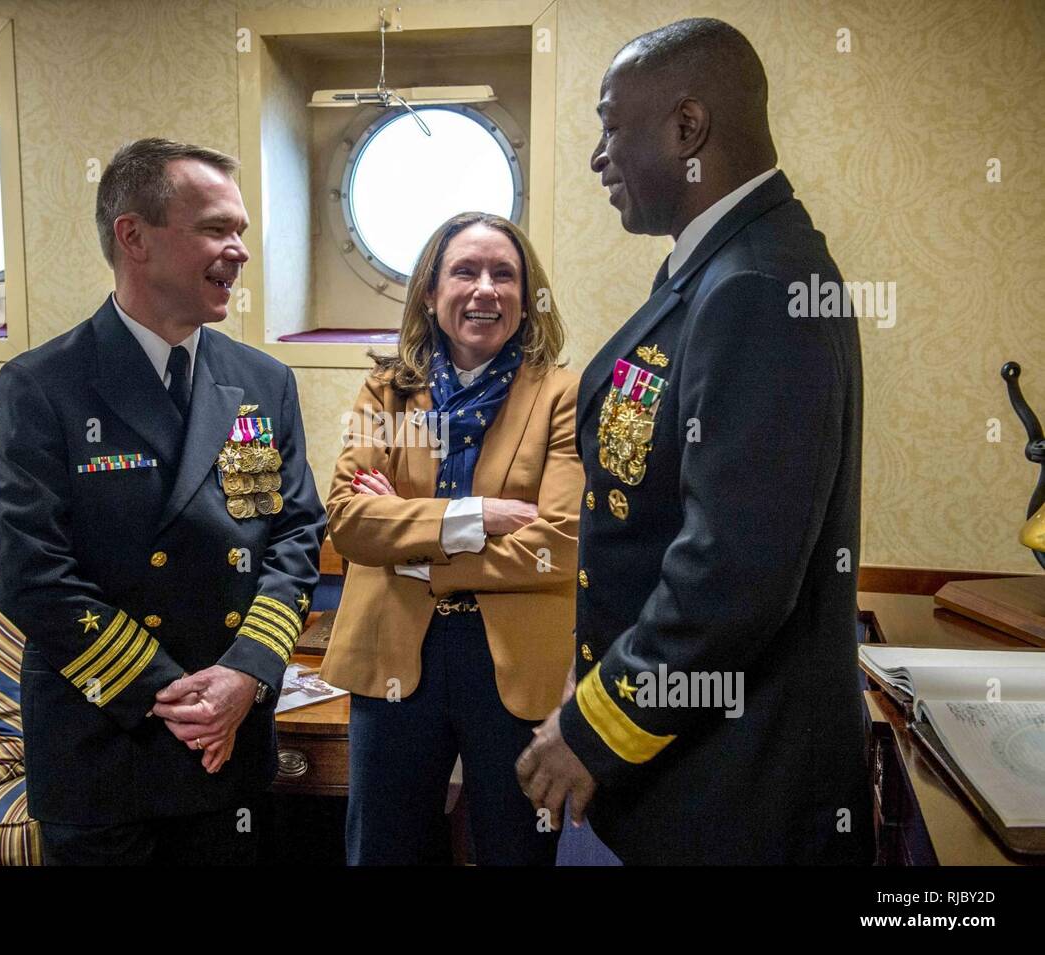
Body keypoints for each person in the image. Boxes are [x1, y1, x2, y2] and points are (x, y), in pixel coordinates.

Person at [516, 18, 874, 865]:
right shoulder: (716, 266)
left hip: (738, 790)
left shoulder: (758, 285)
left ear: (687, 128)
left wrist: (596, 724)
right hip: (691, 766)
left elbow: (733, 571)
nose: (598, 157)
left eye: (611, 126)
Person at [0, 139, 326, 865]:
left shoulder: (264, 381)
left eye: (241, 231)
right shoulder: (44, 385)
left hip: (228, 746)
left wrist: (246, 673)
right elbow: (30, 573)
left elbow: (296, 536)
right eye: (215, 228)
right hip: (105, 749)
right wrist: (176, 697)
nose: (239, 251)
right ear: (133, 237)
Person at [323, 212, 582, 865]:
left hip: (514, 664)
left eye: (504, 275)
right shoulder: (387, 391)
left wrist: (417, 552)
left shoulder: (564, 395)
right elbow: (349, 520)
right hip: (391, 649)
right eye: (464, 271)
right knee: (384, 851)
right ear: (430, 293)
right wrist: (477, 515)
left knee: (517, 851)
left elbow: (560, 543)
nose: (485, 289)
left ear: (528, 297)